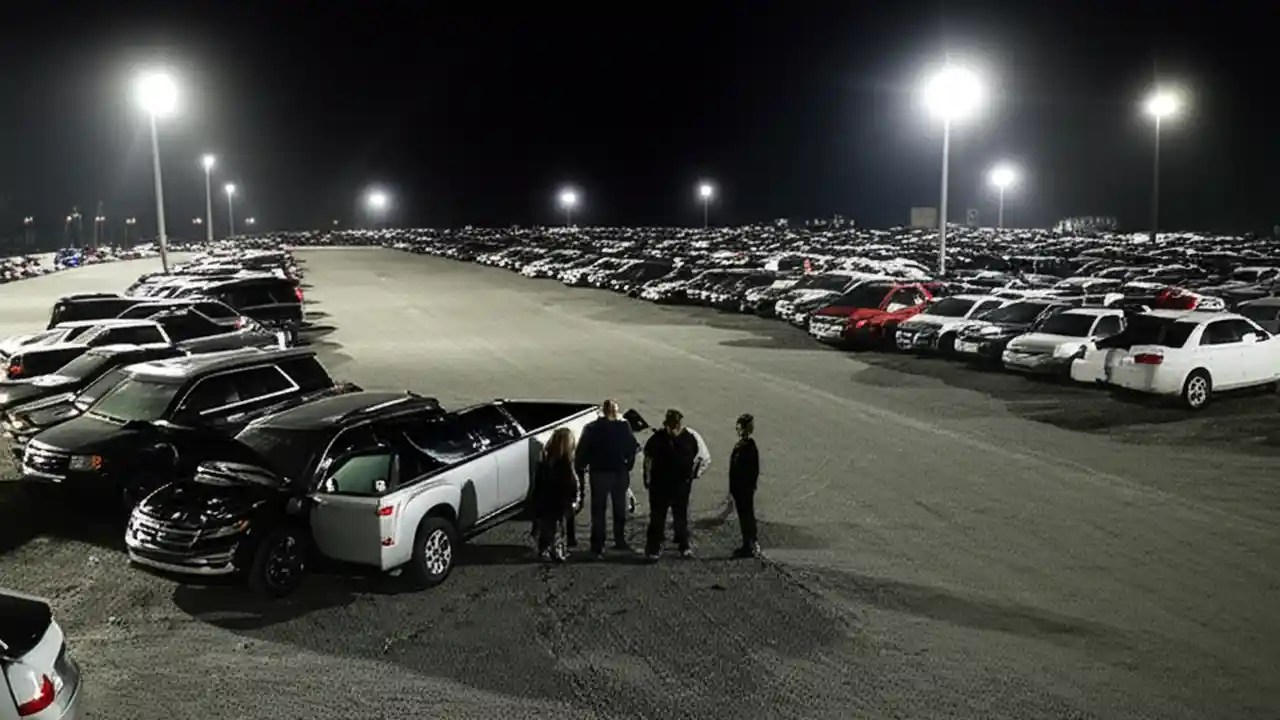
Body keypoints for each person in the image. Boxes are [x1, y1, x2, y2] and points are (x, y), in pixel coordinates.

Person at [575, 399, 641, 558]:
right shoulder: (624, 427)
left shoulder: (591, 428)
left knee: (598, 511)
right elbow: (632, 449)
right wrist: (627, 466)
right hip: (619, 472)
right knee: (620, 510)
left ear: (603, 412)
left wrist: (582, 466)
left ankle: (597, 546)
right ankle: (620, 541)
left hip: (598, 473)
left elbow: (582, 451)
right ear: (615, 412)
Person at [643, 408, 700, 562]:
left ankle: (684, 546)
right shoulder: (657, 439)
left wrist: (691, 476)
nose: (674, 428)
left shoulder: (688, 438)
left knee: (680, 517)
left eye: (676, 425)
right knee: (657, 518)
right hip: (659, 486)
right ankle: (653, 548)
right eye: (671, 425)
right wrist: (647, 479)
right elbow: (648, 459)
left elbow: (696, 458)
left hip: (680, 486)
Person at [532, 427, 582, 562]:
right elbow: (571, 484)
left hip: (546, 500)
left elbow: (538, 484)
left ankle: (544, 550)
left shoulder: (546, 460)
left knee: (547, 526)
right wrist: (574, 499)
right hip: (560, 501)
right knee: (559, 527)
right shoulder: (566, 464)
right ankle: (557, 550)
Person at [728, 413, 760, 558]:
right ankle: (750, 543)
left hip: (744, 489)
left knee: (746, 516)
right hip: (741, 488)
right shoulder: (743, 445)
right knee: (746, 515)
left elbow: (751, 470)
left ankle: (750, 544)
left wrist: (746, 487)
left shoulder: (748, 447)